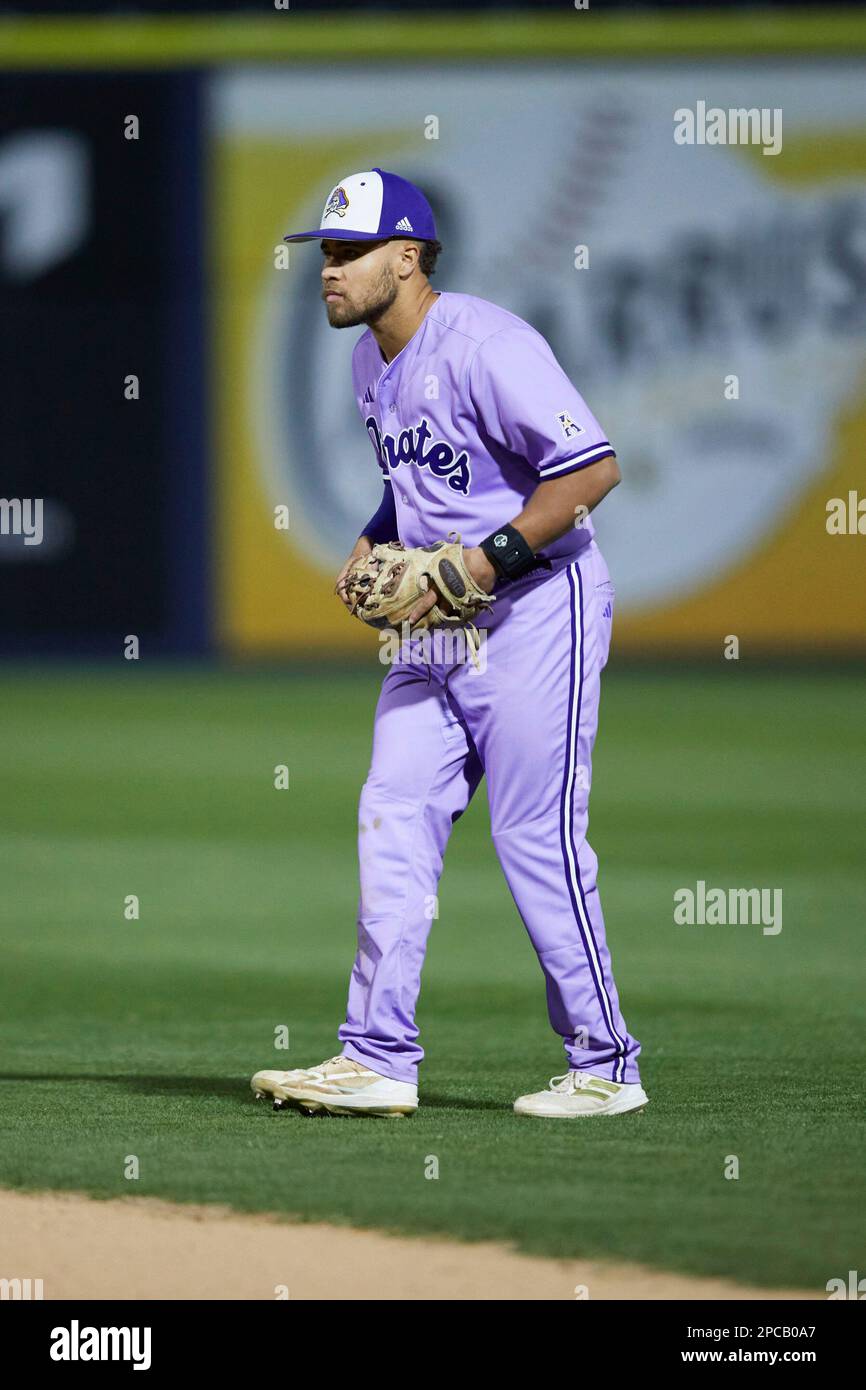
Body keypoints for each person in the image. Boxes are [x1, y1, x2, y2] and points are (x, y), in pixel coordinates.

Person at [252, 168, 647, 1120]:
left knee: (534, 837)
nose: (329, 272)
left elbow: (591, 469)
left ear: (408, 256)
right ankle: (377, 1055)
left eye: (348, 254)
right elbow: (413, 479)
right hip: (439, 630)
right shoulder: (366, 361)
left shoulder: (486, 344)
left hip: (538, 608)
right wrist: (373, 538)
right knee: (392, 815)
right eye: (325, 255)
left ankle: (606, 1066)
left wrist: (484, 561)